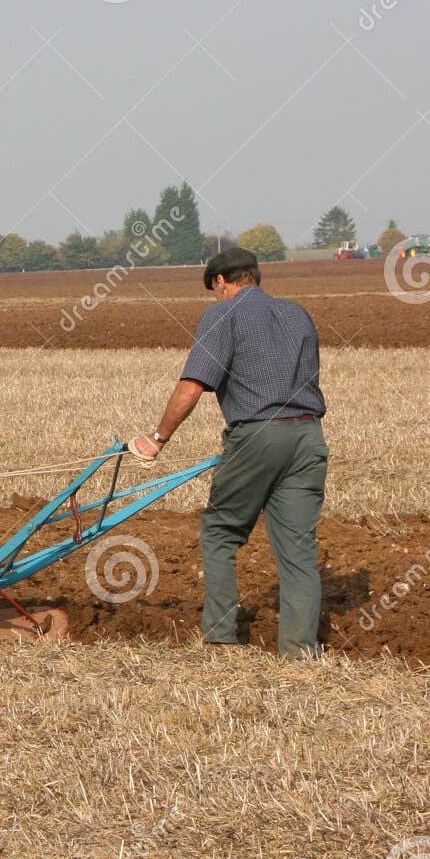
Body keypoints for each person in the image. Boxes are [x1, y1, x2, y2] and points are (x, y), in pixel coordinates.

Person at [128, 247, 328, 658]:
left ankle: (220, 640)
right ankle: (299, 653)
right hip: (308, 436)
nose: (215, 295)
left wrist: (158, 438)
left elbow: (193, 386)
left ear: (221, 282)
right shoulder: (297, 315)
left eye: (214, 289)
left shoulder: (224, 314)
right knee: (298, 551)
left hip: (257, 435)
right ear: (254, 276)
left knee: (221, 530)